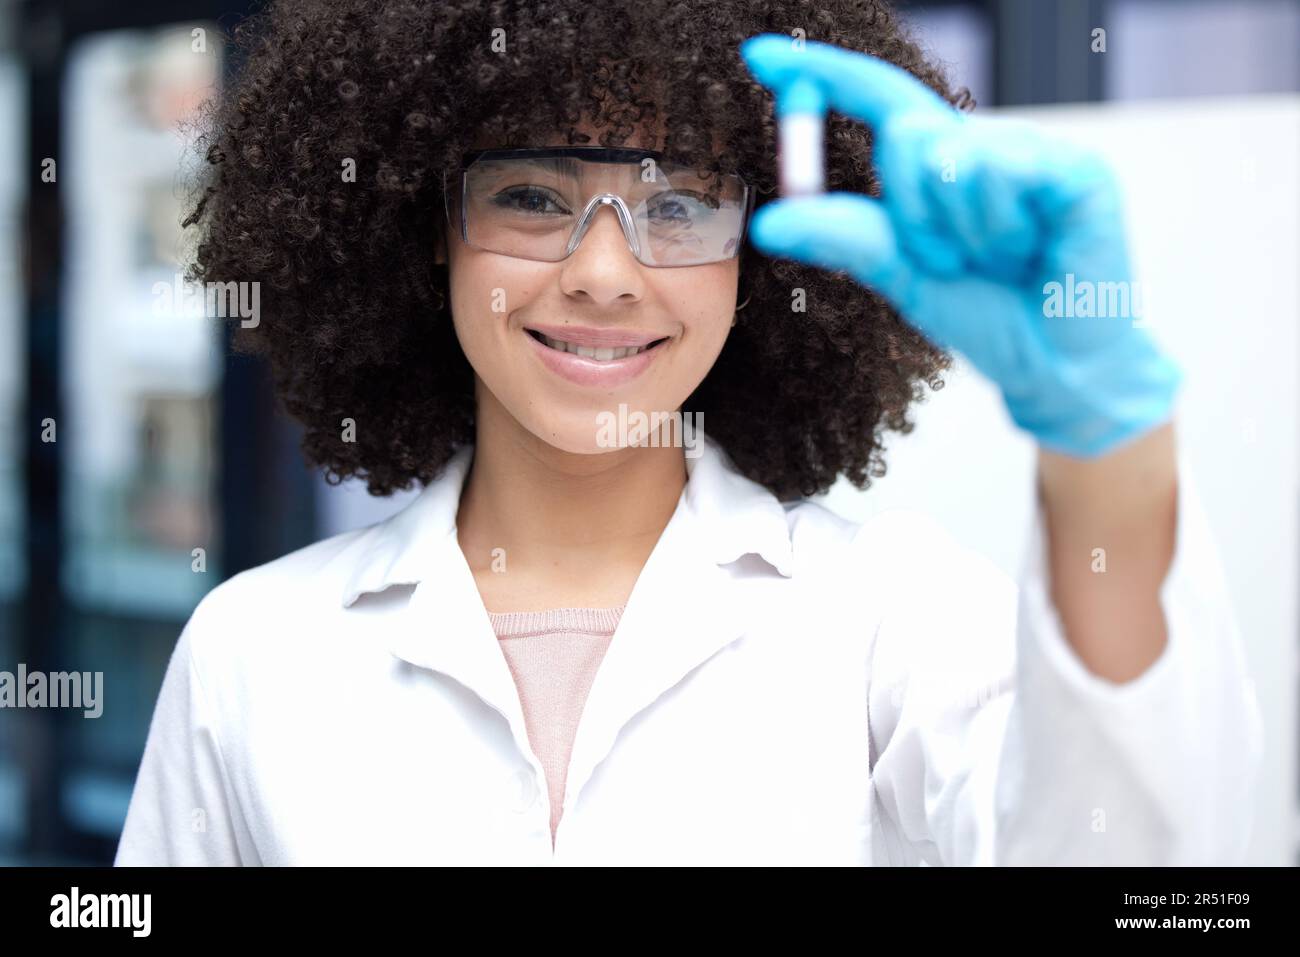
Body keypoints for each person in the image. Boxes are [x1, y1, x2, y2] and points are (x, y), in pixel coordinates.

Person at [114, 0, 1262, 865]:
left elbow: (1140, 865)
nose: (604, 274)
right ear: (429, 230)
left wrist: (1103, 439)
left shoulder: (888, 621)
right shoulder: (256, 652)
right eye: (531, 197)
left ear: (757, 246)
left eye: (679, 203)